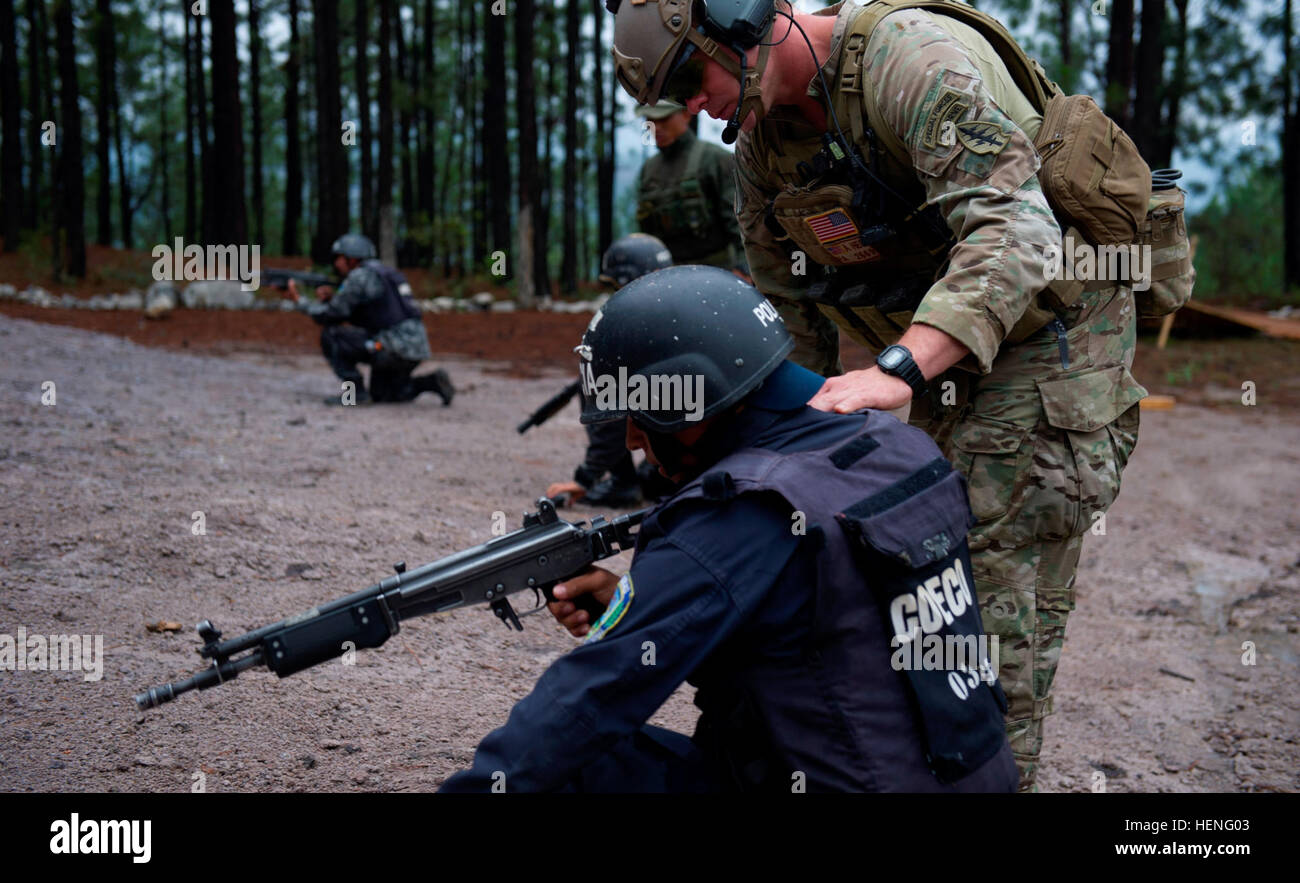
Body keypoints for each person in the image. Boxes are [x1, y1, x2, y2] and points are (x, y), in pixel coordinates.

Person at [609, 0, 1148, 790]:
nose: (689, 105)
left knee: (980, 615)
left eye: (689, 75)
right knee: (882, 579)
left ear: (741, 21)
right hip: (944, 353)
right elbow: (780, 332)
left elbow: (1015, 231)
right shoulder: (763, 149)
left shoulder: (911, 61)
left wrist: (895, 370)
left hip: (1049, 340)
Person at [441, 266, 1018, 793]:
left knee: (577, 765)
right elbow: (828, 636)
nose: (634, 440)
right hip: (968, 777)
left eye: (638, 419)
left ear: (691, 394)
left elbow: (589, 697)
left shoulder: (738, 509)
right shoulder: (896, 447)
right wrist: (639, 604)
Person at [545, 233, 675, 509]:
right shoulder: (680, 310)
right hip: (719, 448)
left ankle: (624, 483)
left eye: (617, 284)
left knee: (595, 383)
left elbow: (608, 411)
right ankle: (669, 470)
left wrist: (586, 477)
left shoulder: (633, 326)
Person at [290, 233, 455, 407]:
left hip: (388, 348)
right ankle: (432, 382)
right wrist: (332, 298)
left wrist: (298, 301)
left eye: (338, 258)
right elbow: (373, 312)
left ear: (351, 259)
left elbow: (331, 315)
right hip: (414, 349)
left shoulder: (360, 275)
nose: (336, 264)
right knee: (384, 394)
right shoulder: (386, 273)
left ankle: (354, 394)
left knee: (332, 335)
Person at [635, 100, 749, 276]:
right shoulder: (649, 170)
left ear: (686, 115)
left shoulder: (715, 159)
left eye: (664, 119)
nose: (656, 127)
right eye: (650, 120)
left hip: (718, 272)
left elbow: (741, 222)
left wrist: (744, 267)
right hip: (668, 276)